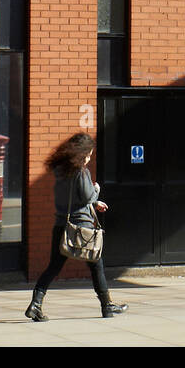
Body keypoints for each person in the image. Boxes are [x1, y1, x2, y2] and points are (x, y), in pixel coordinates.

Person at [25, 133, 128, 320]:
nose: (89, 157)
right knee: (97, 266)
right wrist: (96, 190)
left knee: (54, 266)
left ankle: (36, 303)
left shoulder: (60, 170)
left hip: (61, 224)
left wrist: (94, 202)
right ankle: (107, 306)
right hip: (82, 227)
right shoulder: (81, 171)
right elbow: (88, 196)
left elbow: (76, 198)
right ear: (81, 153)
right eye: (88, 154)